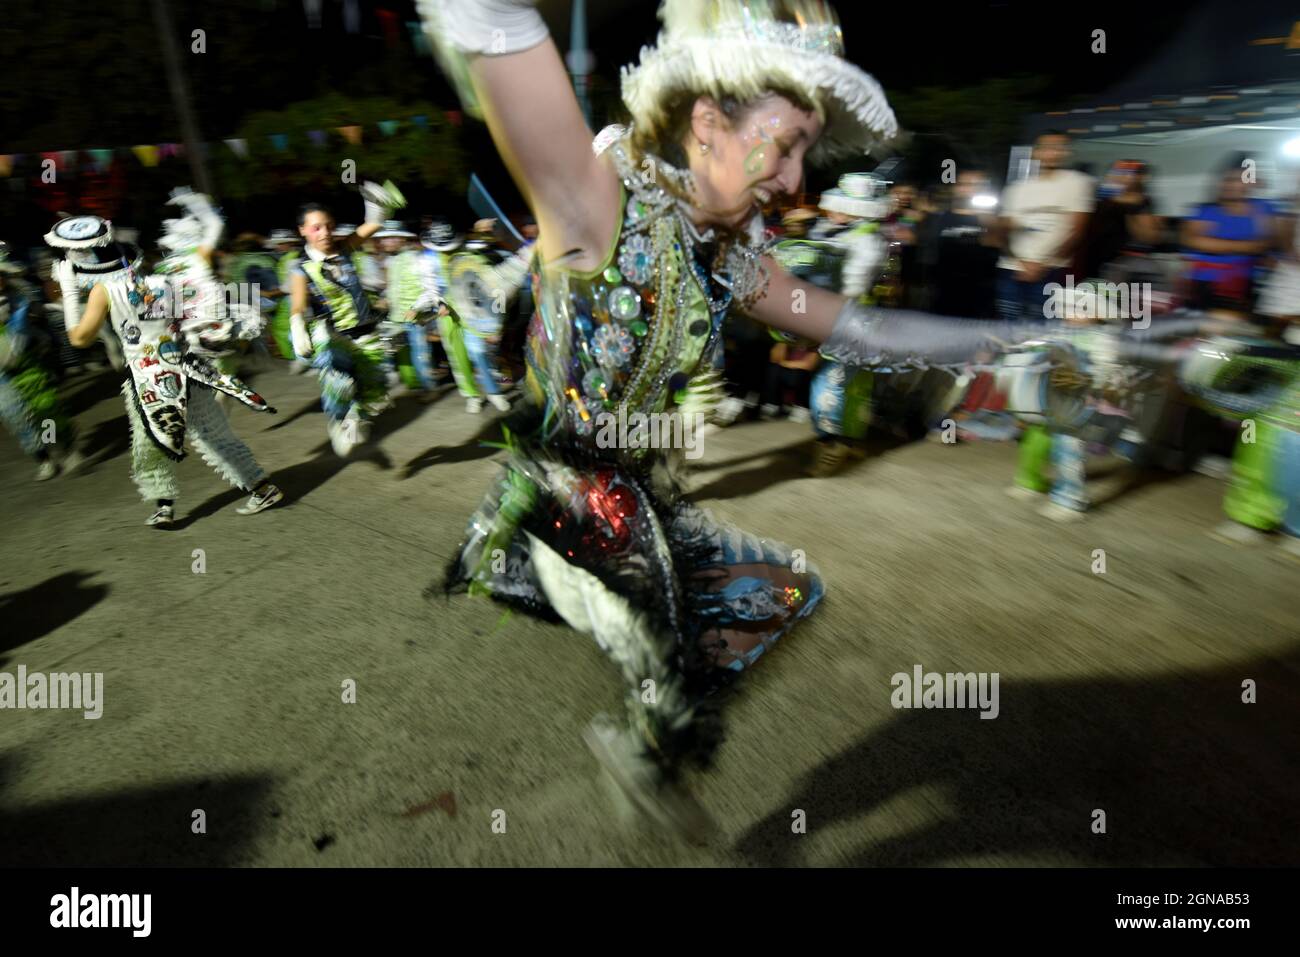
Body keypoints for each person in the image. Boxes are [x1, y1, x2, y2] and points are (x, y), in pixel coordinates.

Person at [419, 0, 1107, 839]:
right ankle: (653, 703)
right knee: (657, 600)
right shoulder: (594, 208)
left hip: (627, 494)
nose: (795, 181)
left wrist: (1021, 335)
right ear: (707, 124)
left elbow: (866, 329)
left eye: (805, 152)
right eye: (783, 146)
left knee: (782, 589)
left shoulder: (730, 259)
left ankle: (641, 745)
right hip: (559, 496)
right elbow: (500, 31)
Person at [47, 214, 282, 525]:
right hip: (190, 369)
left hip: (149, 379)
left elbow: (79, 338)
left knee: (149, 441)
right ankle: (262, 487)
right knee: (215, 434)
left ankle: (164, 506)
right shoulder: (162, 281)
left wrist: (68, 294)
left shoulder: (102, 292)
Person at [288, 181, 406, 456]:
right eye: (316, 227)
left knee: (374, 392)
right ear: (303, 231)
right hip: (333, 335)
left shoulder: (346, 247)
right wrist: (297, 326)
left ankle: (355, 417)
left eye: (329, 225)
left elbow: (373, 224)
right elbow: (297, 304)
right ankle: (338, 422)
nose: (325, 233)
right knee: (338, 380)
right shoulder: (300, 267)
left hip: (365, 332)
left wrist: (375, 199)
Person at [0, 242, 80, 480]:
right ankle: (43, 458)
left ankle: (62, 449)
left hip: (28, 364)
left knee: (45, 409)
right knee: (15, 416)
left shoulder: (19, 302)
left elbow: (35, 325)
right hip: (2, 376)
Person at [996, 130, 1094, 323]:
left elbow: (1078, 230)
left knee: (1043, 328)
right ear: (1035, 152)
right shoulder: (1016, 188)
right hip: (1012, 268)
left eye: (1059, 148)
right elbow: (1003, 231)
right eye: (1047, 148)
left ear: (1067, 153)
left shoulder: (1077, 183)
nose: (1053, 153)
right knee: (1008, 325)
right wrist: (1020, 262)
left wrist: (1042, 264)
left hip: (1052, 269)